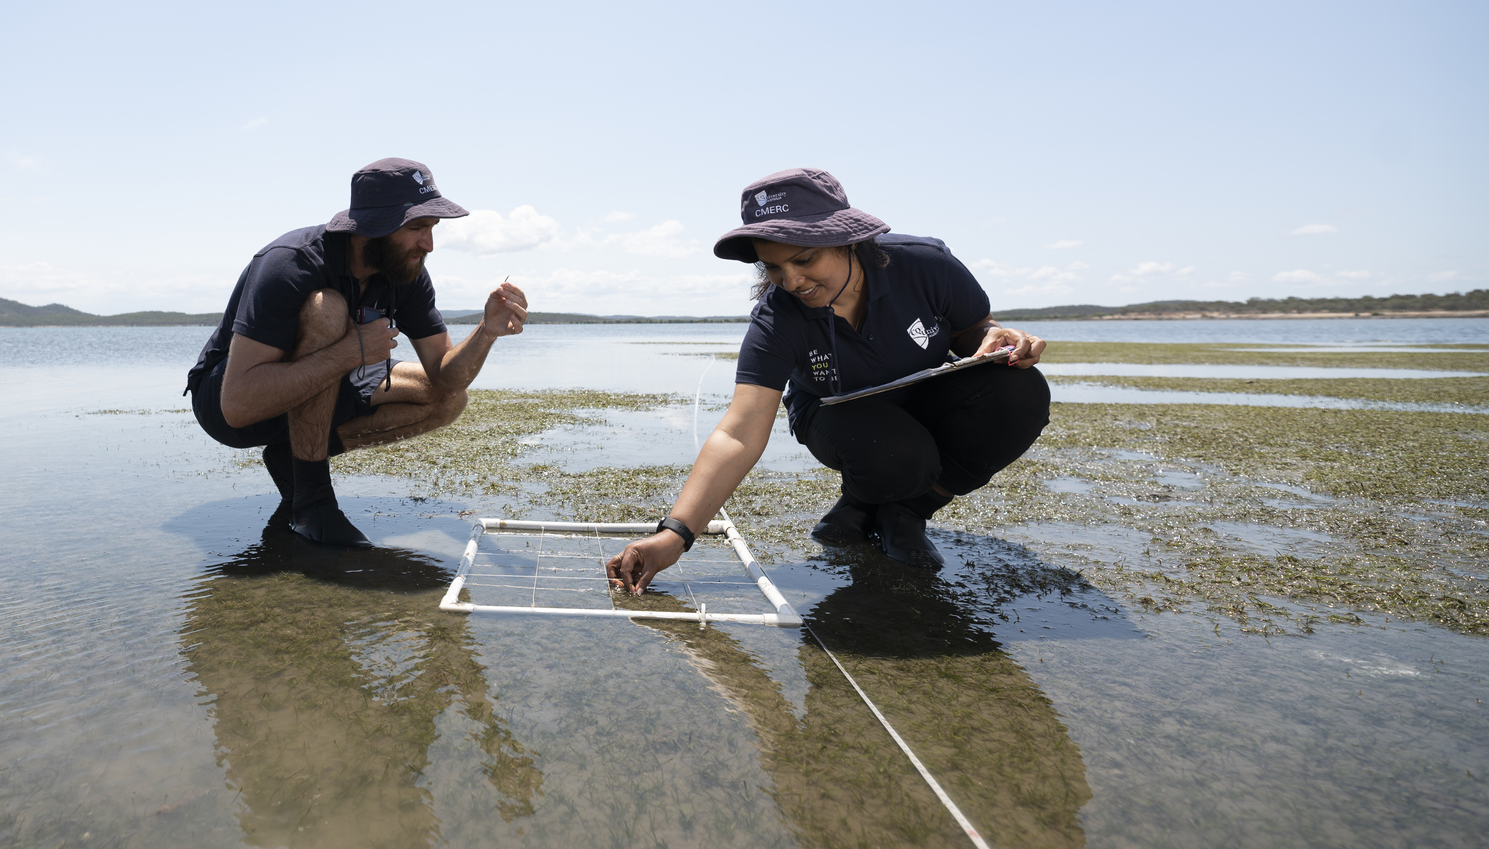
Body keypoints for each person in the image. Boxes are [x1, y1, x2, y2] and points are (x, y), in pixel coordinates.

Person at [606, 167, 1049, 585]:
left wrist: (998, 338)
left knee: (1020, 391)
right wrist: (674, 535)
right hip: (837, 414)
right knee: (895, 453)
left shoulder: (926, 265)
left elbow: (974, 329)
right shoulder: (777, 319)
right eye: (773, 267)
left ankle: (907, 511)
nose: (792, 280)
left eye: (805, 259)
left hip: (925, 395)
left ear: (848, 240)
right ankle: (868, 497)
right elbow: (740, 431)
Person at [187, 157, 529, 545]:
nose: (429, 244)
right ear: (375, 226)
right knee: (327, 309)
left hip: (316, 385)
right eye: (417, 228)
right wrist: (351, 352)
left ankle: (292, 462)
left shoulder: (407, 271)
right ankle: (313, 503)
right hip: (225, 402)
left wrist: (486, 332)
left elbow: (446, 375)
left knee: (449, 398)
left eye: (432, 228)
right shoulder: (290, 263)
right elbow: (237, 405)